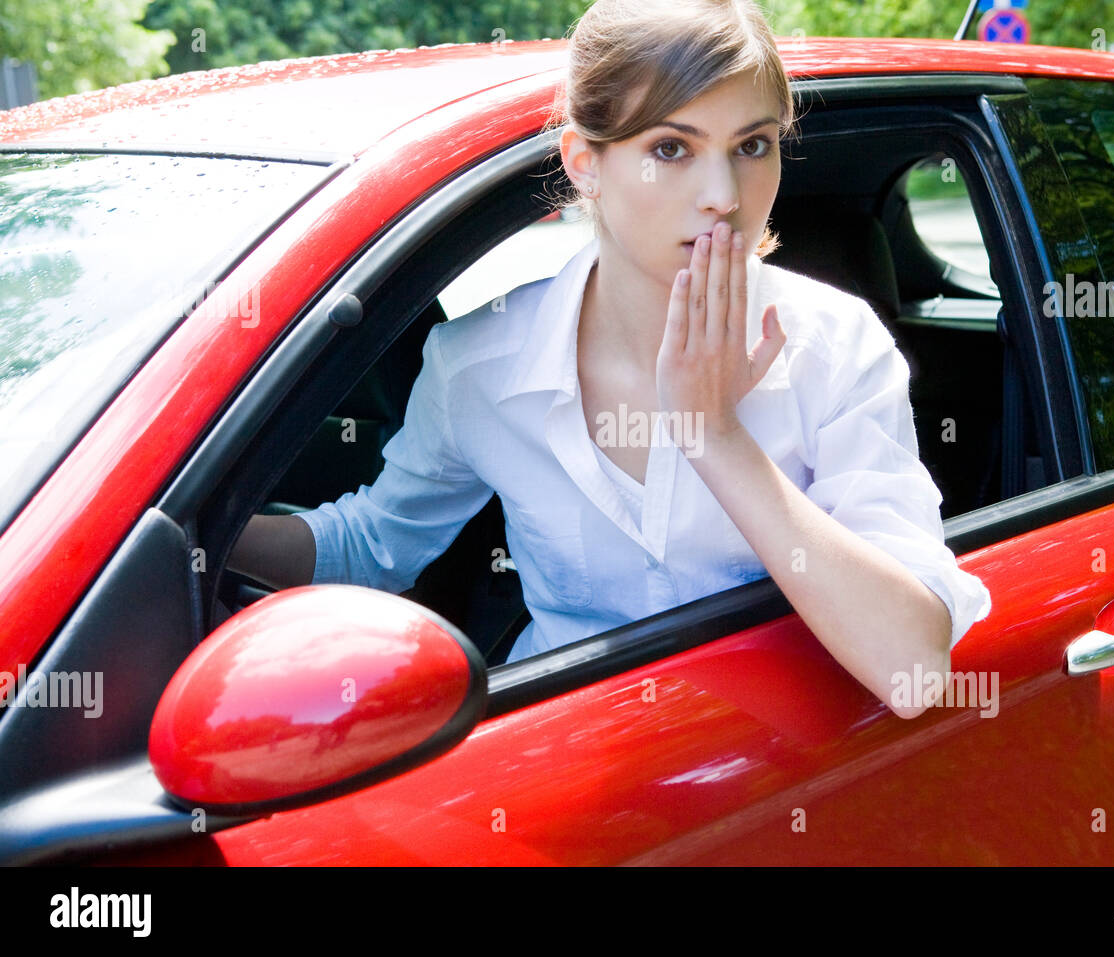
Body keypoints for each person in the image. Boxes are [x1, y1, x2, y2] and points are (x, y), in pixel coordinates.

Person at [228, 0, 991, 718]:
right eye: (670, 148)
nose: (723, 194)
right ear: (584, 163)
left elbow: (914, 670)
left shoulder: (835, 346)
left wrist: (715, 436)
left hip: (780, 770)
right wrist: (194, 539)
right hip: (559, 766)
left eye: (752, 146)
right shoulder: (479, 365)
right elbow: (371, 546)